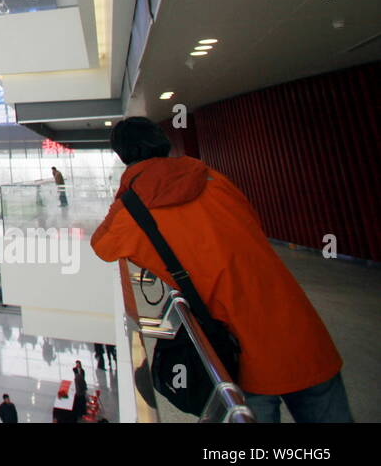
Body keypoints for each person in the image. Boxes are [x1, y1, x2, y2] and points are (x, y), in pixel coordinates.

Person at [92, 116, 351, 423]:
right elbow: (250, 221)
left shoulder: (132, 210)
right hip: (300, 331)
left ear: (122, 155)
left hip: (241, 354)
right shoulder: (212, 178)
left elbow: (102, 246)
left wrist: (124, 197)